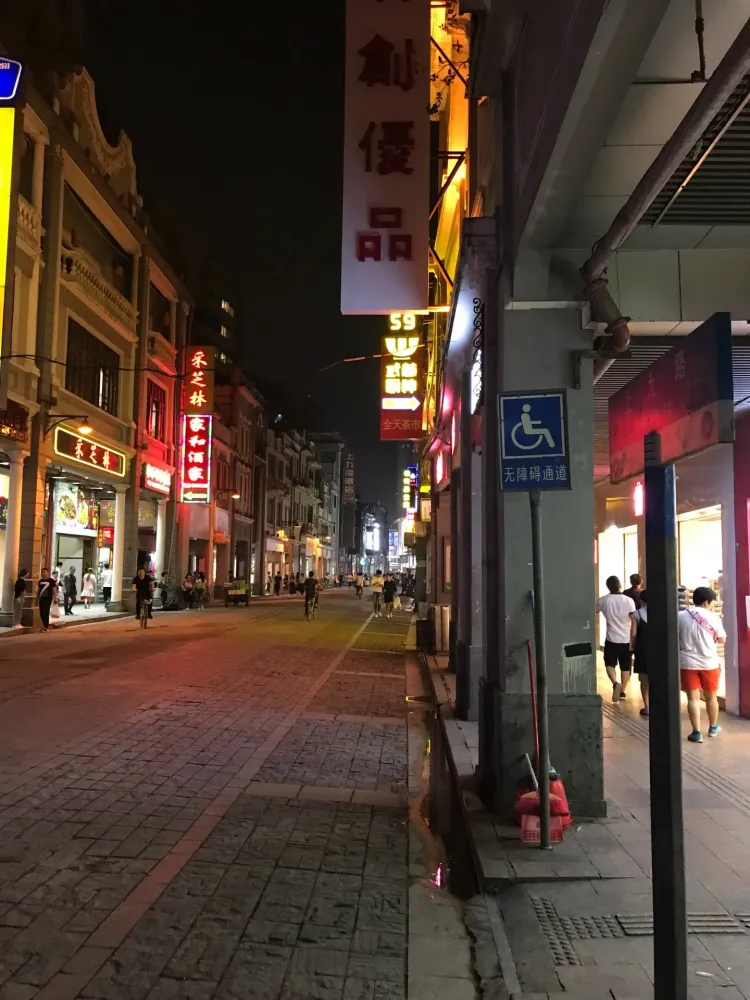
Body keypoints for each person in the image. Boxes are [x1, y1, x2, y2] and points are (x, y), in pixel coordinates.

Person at [679, 586, 726, 743]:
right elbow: (722, 639)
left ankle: (696, 732)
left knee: (692, 698)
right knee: (711, 697)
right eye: (712, 602)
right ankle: (713, 728)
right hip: (709, 662)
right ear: (706, 602)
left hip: (688, 662)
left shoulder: (680, 616)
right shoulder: (714, 618)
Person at [596, 575, 636, 701]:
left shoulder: (603, 600)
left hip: (611, 639)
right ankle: (623, 691)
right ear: (619, 585)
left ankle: (615, 683)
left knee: (609, 663)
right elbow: (633, 620)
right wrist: (633, 638)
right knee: (625, 666)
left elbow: (596, 611)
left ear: (608, 586)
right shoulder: (629, 600)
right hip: (626, 639)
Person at [630, 590, 649, 717]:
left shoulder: (637, 614)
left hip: (642, 648)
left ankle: (647, 707)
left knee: (644, 679)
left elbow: (633, 633)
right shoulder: (662, 613)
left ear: (641, 601)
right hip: (658, 649)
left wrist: (631, 646)